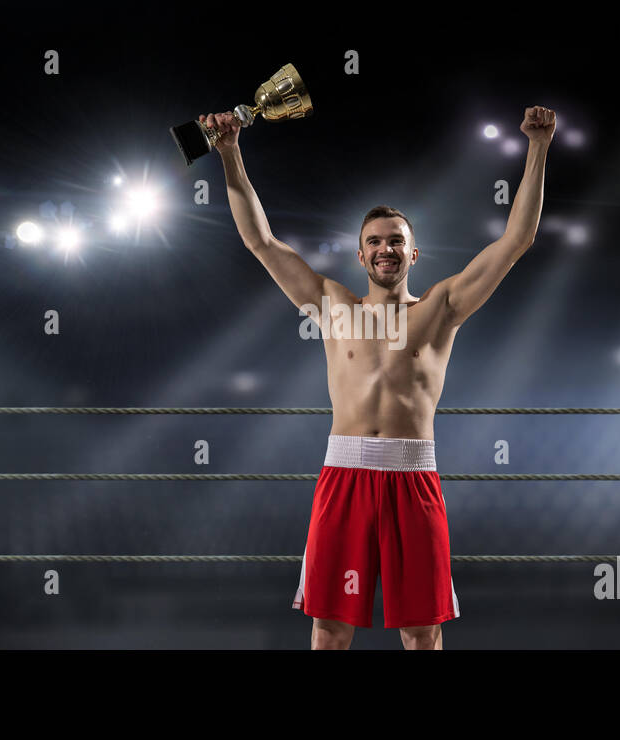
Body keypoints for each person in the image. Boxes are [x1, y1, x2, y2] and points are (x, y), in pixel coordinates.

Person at [202, 105, 555, 649]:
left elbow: (516, 241)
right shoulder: (332, 305)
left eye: (395, 240)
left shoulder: (441, 307)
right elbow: (262, 242)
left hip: (413, 478)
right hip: (344, 476)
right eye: (374, 241)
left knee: (421, 631)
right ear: (360, 253)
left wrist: (538, 147)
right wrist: (229, 154)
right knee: (330, 629)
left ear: (413, 252)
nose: (385, 249)